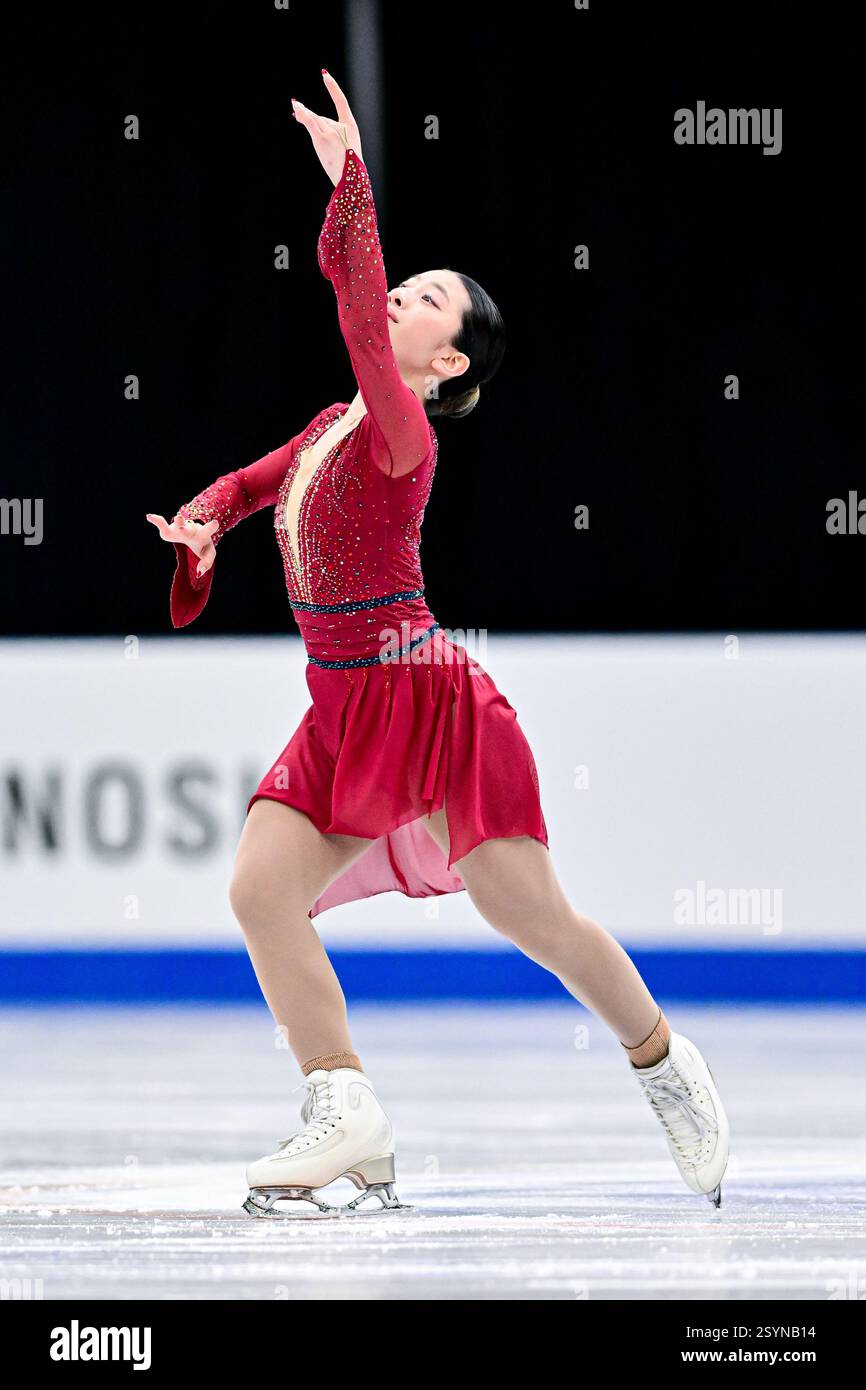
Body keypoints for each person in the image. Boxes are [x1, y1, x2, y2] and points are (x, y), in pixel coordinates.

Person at [147, 70, 729, 1217]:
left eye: (425, 301)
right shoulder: (338, 423)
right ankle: (344, 1108)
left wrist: (352, 185)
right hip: (340, 705)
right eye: (404, 290)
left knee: (532, 918)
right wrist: (205, 521)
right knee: (262, 888)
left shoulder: (404, 430)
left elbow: (357, 317)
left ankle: (664, 1063)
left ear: (447, 361)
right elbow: (257, 482)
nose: (402, 301)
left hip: (428, 702)